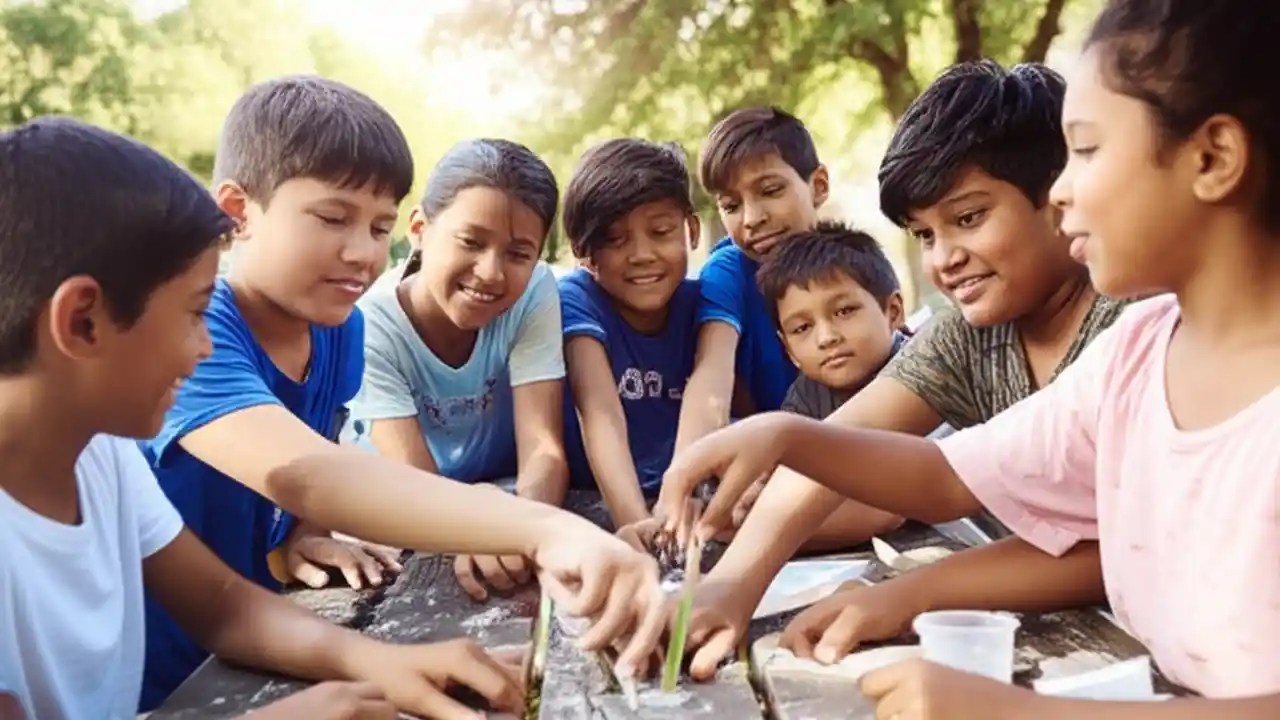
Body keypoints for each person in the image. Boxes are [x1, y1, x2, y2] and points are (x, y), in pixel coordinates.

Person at [660, 1, 1280, 716]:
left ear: (1213, 158)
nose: (1062, 190)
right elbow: (945, 477)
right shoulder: (1140, 355)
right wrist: (787, 439)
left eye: (1085, 150)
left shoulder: (1130, 334)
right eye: (926, 233)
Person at [139, 76, 665, 709]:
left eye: (377, 226)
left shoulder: (336, 329)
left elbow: (308, 464)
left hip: (258, 642)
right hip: (156, 684)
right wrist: (548, 531)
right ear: (236, 211)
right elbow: (306, 473)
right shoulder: (195, 332)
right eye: (334, 218)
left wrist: (306, 534)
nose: (363, 253)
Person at [0, 117, 524, 720]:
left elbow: (224, 605)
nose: (204, 348)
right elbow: (308, 474)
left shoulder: (101, 455)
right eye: (195, 313)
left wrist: (382, 663)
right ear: (82, 322)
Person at [652, 59, 1130, 680]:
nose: (945, 260)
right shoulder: (968, 335)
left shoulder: (1132, 326)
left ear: (1057, 196)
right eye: (924, 235)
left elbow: (1120, 543)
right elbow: (834, 451)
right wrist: (733, 586)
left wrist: (909, 595)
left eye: (968, 218)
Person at [345, 138, 570, 603]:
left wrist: (521, 527)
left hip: (497, 505)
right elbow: (418, 488)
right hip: (406, 521)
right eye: (471, 242)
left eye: (518, 253)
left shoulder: (534, 295)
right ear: (420, 229)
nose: (491, 272)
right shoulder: (370, 326)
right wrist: (481, 533)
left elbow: (543, 447)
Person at [557, 139, 703, 533]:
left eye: (660, 231)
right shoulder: (576, 299)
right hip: (595, 494)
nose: (641, 254)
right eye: (615, 240)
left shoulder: (702, 303)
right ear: (584, 251)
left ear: (691, 229)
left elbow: (721, 399)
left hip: (681, 492)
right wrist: (635, 524)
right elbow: (599, 412)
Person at [675, 106, 827, 447]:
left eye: (770, 191)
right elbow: (710, 377)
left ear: (818, 186)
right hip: (766, 453)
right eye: (731, 206)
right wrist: (684, 477)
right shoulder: (728, 272)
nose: (751, 218)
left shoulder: (854, 261)